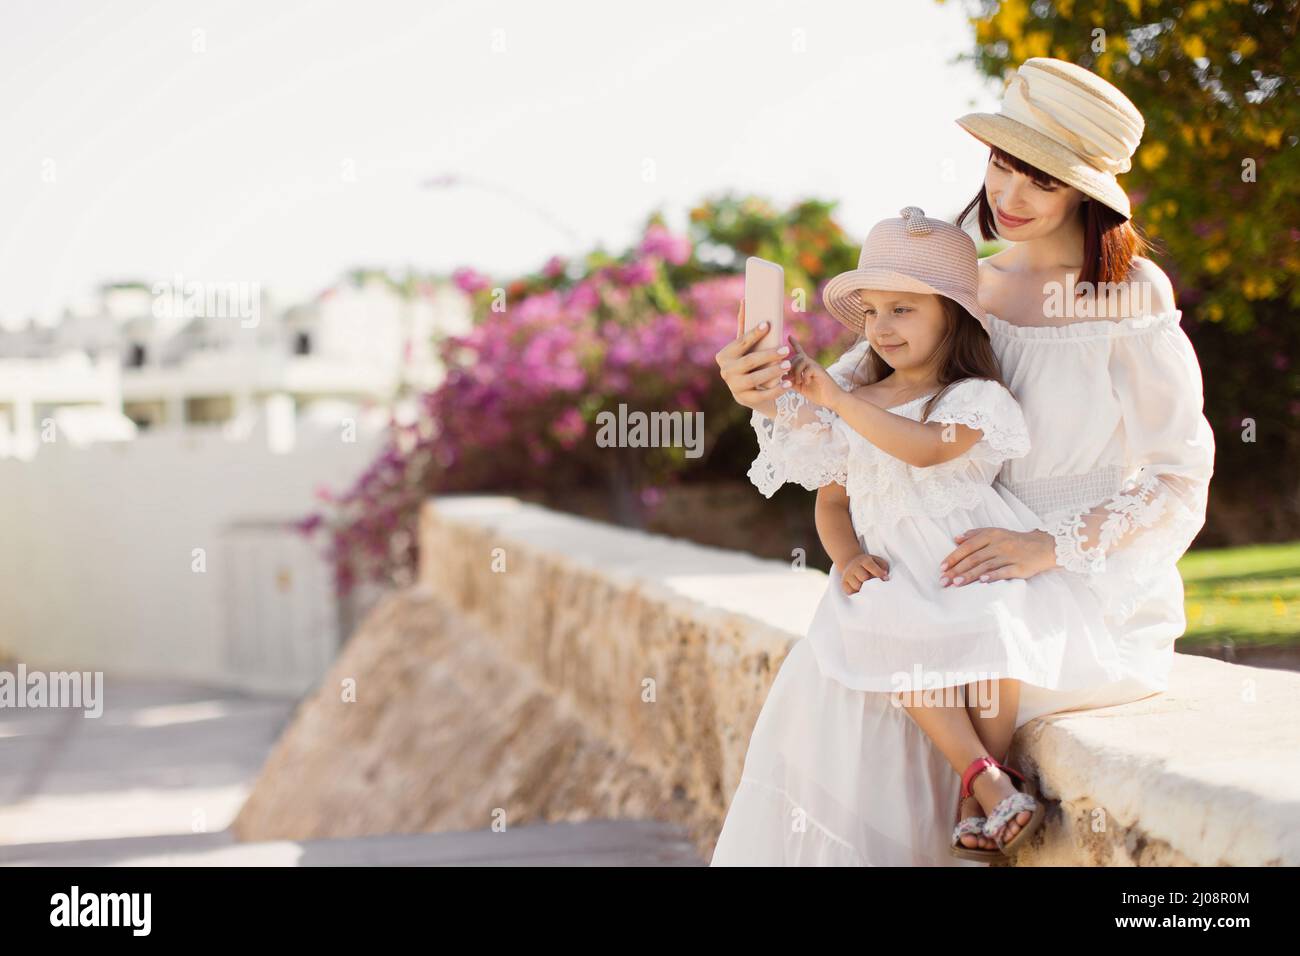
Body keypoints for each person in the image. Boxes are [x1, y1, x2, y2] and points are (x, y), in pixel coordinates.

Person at [710, 58, 1216, 866]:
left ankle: (973, 796)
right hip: (949, 565)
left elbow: (1178, 476)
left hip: (1074, 584)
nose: (1009, 199)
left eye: (1040, 182)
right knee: (840, 659)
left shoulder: (1129, 294)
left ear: (1084, 193)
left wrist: (1048, 545)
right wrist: (763, 388)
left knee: (895, 664)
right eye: (1001, 166)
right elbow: (844, 413)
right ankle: (974, 794)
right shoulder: (958, 284)